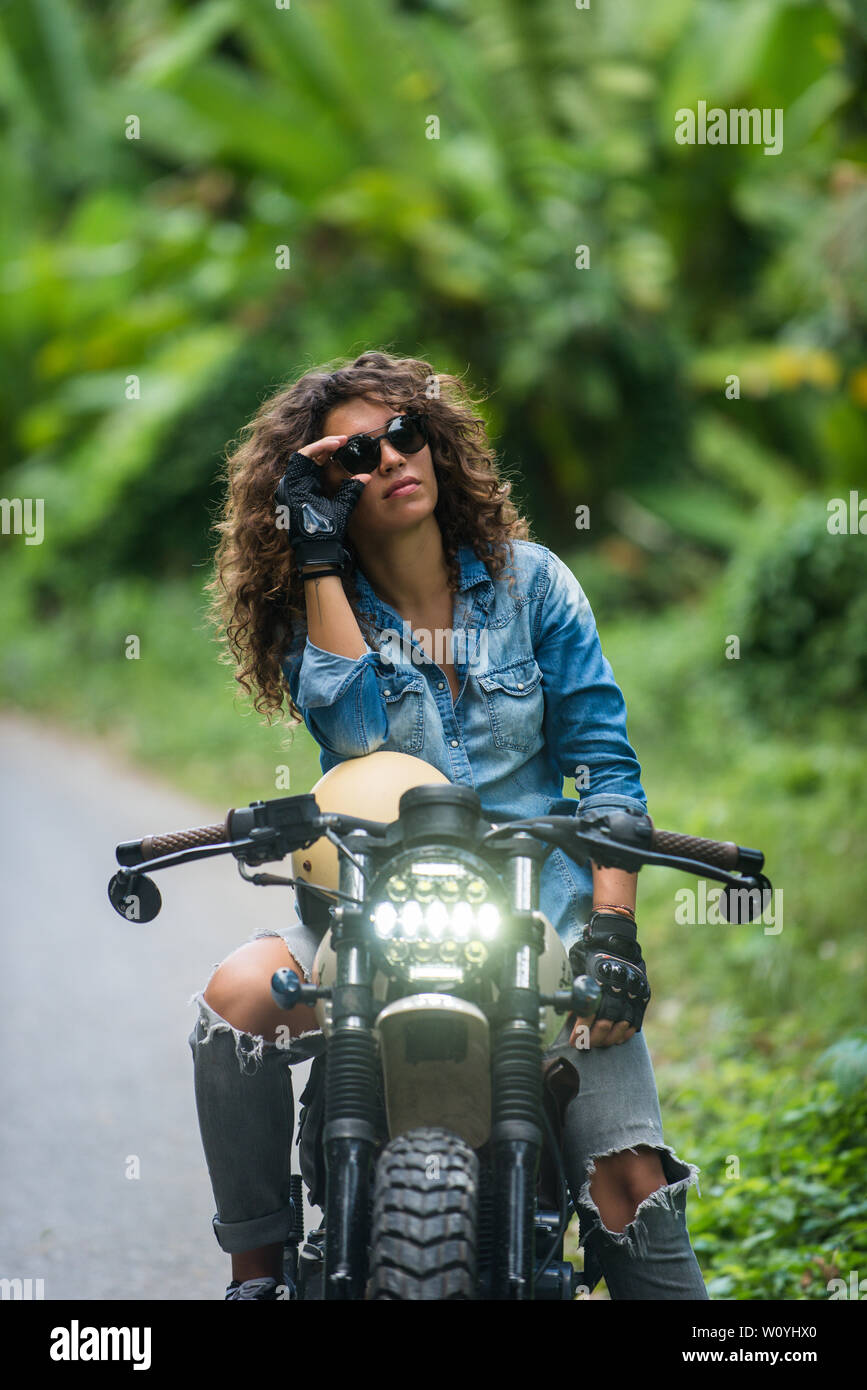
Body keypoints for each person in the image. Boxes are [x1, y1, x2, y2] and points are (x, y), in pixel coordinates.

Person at [192, 348, 708, 1300]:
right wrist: (315, 552)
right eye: (352, 456)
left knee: (630, 1185)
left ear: (437, 444)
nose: (388, 461)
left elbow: (605, 768)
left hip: (536, 924)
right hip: (373, 918)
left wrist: (612, 930)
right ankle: (253, 1276)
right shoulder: (325, 607)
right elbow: (355, 734)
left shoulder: (535, 585)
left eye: (403, 434)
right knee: (236, 1000)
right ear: (319, 485)